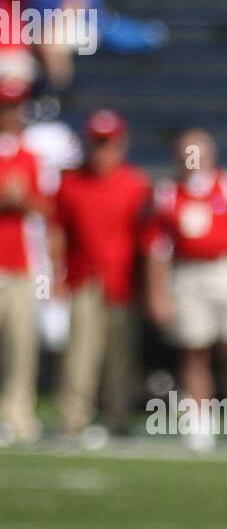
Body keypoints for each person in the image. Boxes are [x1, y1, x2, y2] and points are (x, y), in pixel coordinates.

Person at [143, 129, 227, 452]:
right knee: (194, 351)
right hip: (188, 275)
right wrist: (157, 293)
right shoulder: (168, 193)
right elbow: (157, 250)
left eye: (197, 153)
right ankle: (199, 424)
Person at [51, 110, 151, 440]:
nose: (101, 150)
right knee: (80, 353)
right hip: (84, 278)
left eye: (107, 143)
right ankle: (73, 418)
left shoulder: (136, 184)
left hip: (123, 280)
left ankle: (118, 418)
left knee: (121, 355)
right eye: (96, 142)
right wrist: (56, 277)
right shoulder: (71, 184)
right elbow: (57, 233)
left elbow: (149, 241)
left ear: (121, 144)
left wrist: (148, 285)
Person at [0, 77, 44, 446]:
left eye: (15, 106)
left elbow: (48, 208)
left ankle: (18, 415)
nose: (10, 113)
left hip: (21, 263)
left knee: (21, 345)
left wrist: (23, 199)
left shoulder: (32, 156)